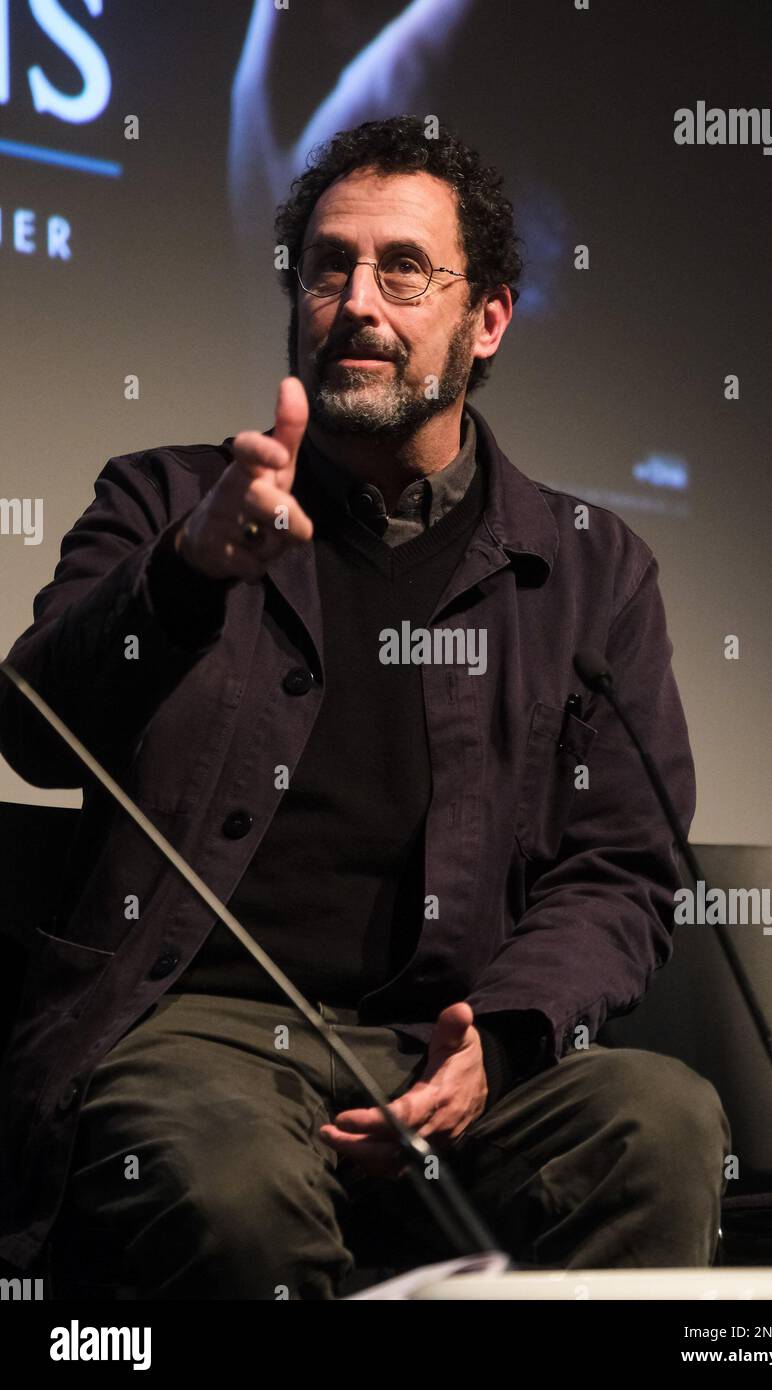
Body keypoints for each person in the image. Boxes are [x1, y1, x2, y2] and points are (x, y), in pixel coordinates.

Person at [0, 116, 729, 1299]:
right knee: (224, 1178)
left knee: (661, 1122)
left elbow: (621, 867)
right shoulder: (166, 500)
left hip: (454, 1039)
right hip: (200, 1033)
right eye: (327, 267)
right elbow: (34, 730)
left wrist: (499, 1038)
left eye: (401, 267)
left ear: (485, 317)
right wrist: (185, 573)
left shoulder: (591, 569)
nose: (355, 301)